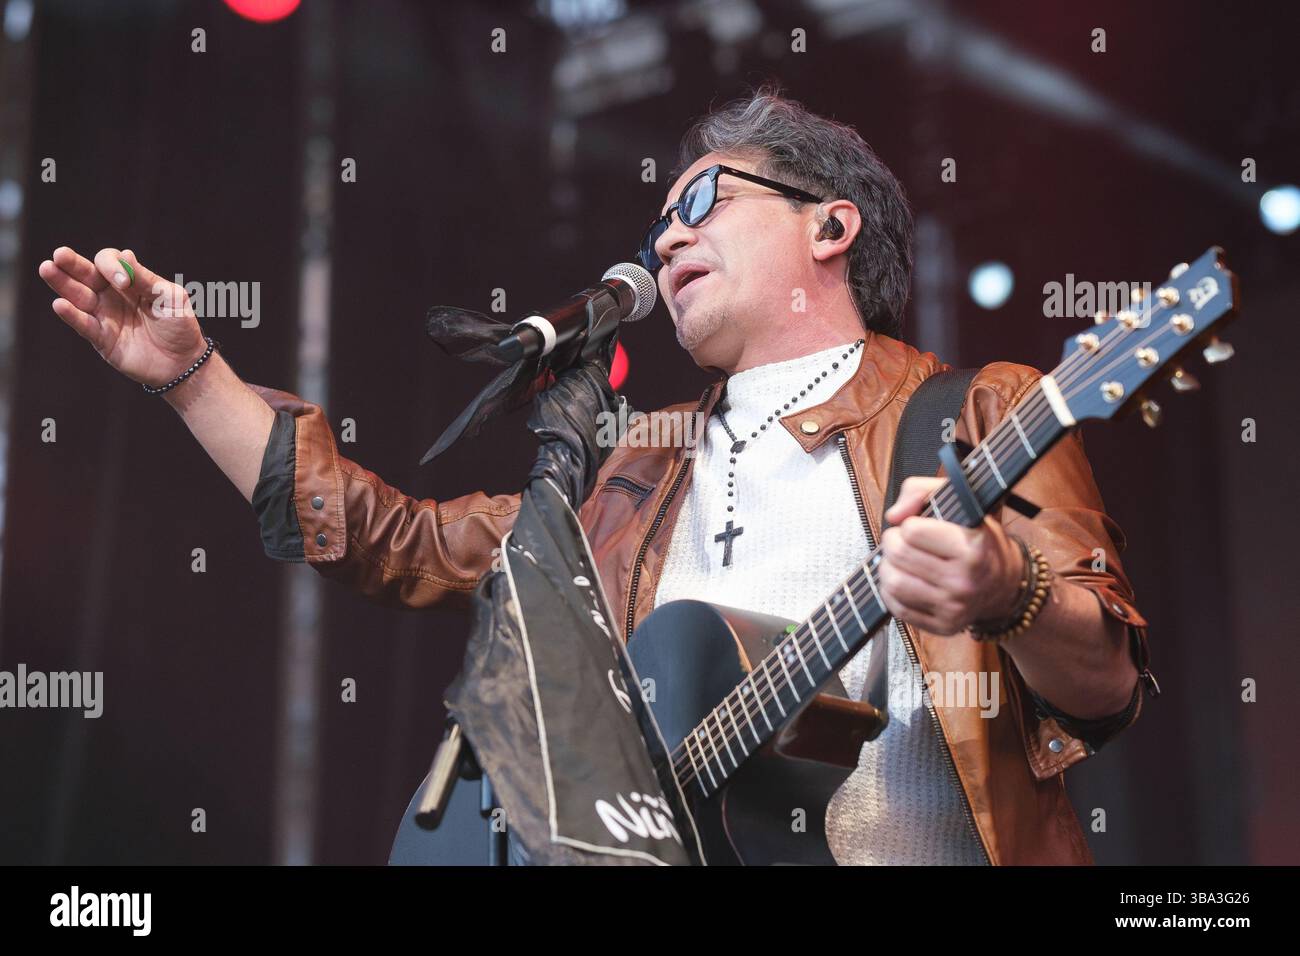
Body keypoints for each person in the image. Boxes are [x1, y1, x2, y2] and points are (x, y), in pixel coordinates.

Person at [38, 88, 1151, 865]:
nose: (666, 240)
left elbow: (1104, 682)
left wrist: (1006, 590)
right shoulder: (637, 464)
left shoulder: (982, 412)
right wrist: (190, 374)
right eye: (659, 220)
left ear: (830, 223)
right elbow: (396, 540)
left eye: (704, 204)